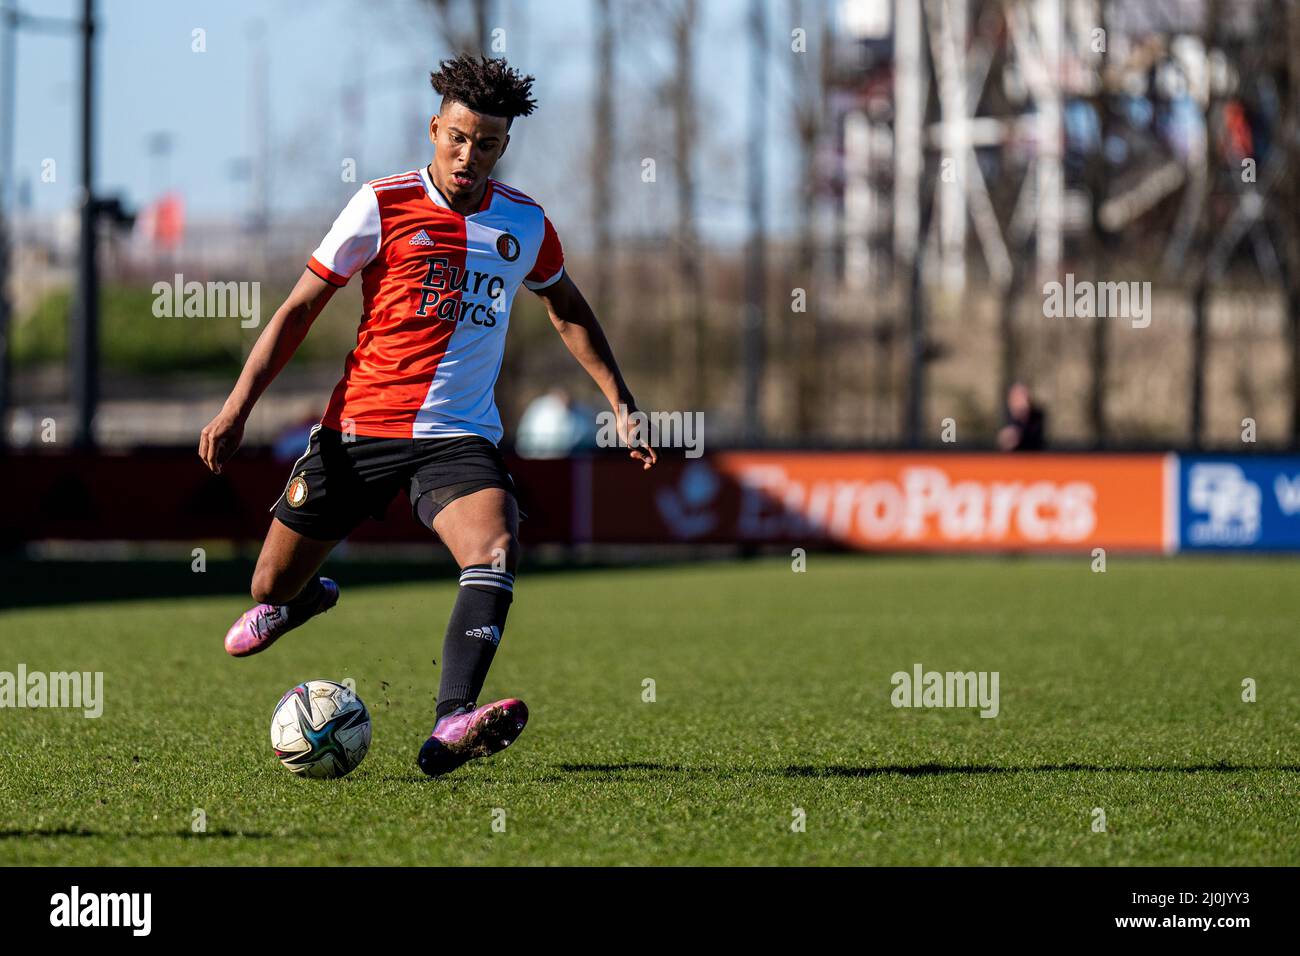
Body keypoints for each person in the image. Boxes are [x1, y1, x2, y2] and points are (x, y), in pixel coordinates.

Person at [197, 54, 656, 777]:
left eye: (489, 144)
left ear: (504, 147)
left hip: (458, 438)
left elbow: (567, 308)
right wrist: (235, 409)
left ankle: (452, 721)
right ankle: (303, 600)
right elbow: (298, 310)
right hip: (359, 432)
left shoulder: (525, 224)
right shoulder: (381, 203)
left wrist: (621, 402)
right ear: (435, 127)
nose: (470, 156)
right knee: (267, 587)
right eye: (459, 138)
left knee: (494, 548)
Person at [997, 382, 1046, 451]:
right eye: (1018, 396)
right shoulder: (1004, 415)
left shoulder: (1036, 416)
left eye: (1024, 396)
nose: (1022, 400)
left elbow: (1035, 439)